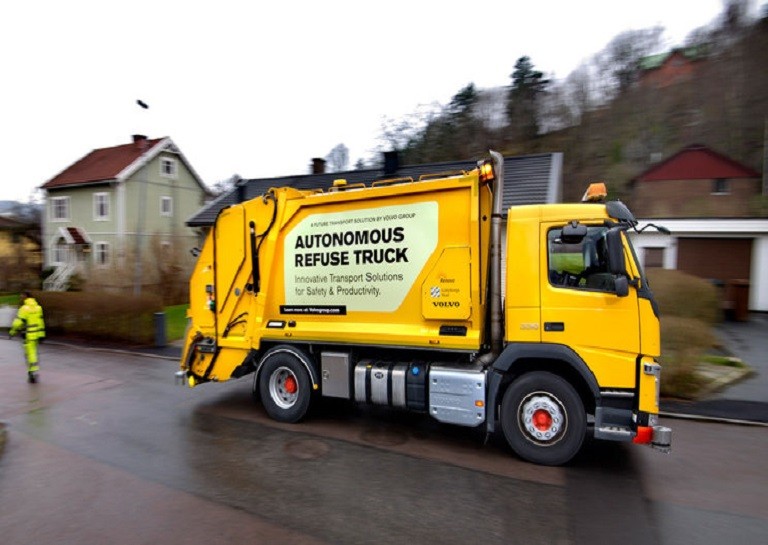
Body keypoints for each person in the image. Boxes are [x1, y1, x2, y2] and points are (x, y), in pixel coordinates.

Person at [9, 290, 46, 383]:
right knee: (33, 353)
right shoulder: (38, 308)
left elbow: (18, 322)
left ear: (25, 296)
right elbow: (41, 323)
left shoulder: (24, 309)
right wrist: (42, 335)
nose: (21, 298)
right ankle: (33, 372)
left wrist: (12, 332)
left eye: (21, 296)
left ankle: (32, 373)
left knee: (30, 354)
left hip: (28, 335)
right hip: (36, 335)